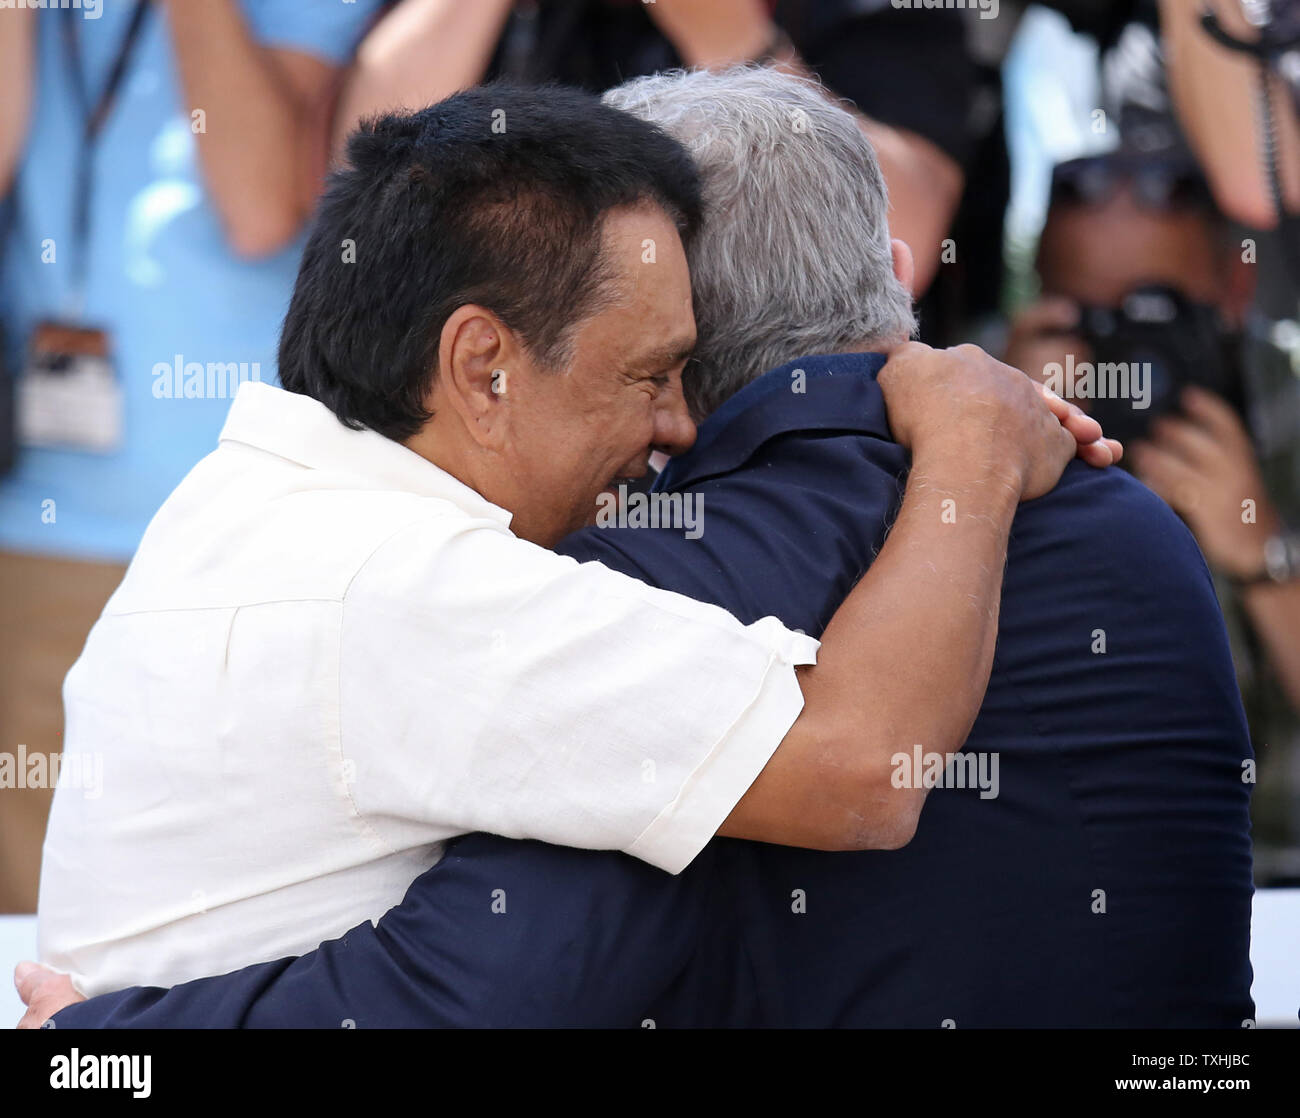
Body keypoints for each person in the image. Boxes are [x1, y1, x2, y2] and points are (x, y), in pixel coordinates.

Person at [20, 68, 1251, 1031]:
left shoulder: (236, 504)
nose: (668, 426)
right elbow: (865, 768)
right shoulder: (1128, 521)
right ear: (483, 364)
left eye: (677, 374)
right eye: (643, 372)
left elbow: (515, 981)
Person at [0, 0, 385, 914]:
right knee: (31, 922)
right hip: (38, 523)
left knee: (210, 917)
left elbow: (258, 205)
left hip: (236, 533)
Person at [330, 0, 972, 295]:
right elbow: (362, 179)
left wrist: (737, 44)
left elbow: (901, 238)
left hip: (746, 410)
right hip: (515, 396)